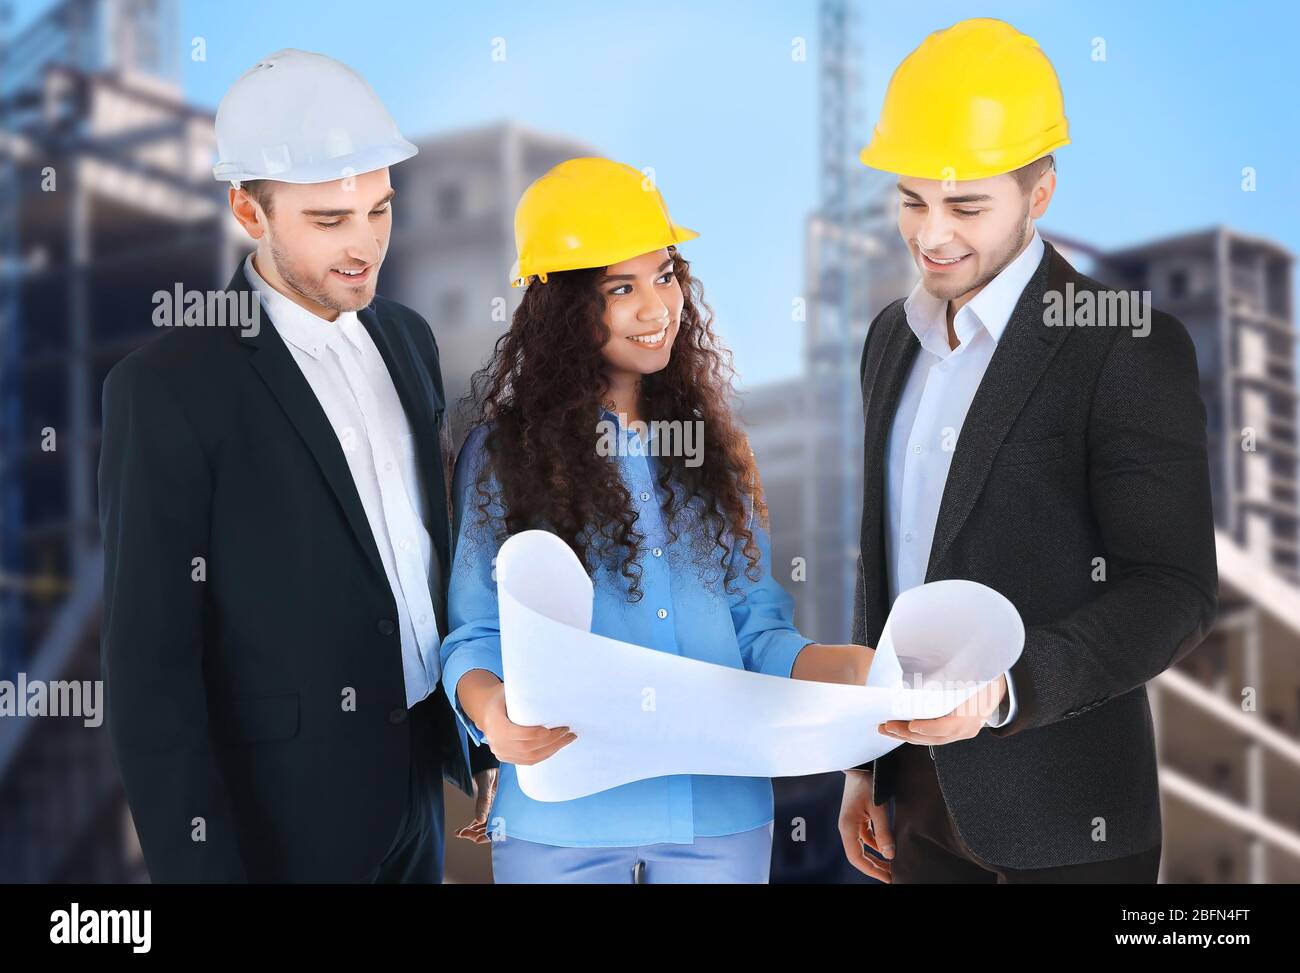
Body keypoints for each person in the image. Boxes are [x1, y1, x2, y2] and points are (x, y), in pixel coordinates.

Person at [98, 49, 496, 882]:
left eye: (380, 210)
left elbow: (420, 555)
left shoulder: (407, 339)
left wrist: (475, 732)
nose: (365, 245)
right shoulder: (169, 390)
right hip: (281, 818)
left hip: (422, 783)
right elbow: (149, 674)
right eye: (328, 219)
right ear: (249, 209)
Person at [839, 18, 1217, 883]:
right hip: (917, 809)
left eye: (967, 205)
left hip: (1067, 823)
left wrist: (1009, 690)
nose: (931, 234)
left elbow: (1174, 589)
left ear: (1039, 192)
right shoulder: (888, 341)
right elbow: (884, 563)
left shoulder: (1122, 343)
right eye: (911, 200)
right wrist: (862, 760)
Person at [440, 157, 877, 884]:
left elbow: (755, 633)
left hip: (720, 809)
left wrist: (848, 672)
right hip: (560, 813)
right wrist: (493, 715)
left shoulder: (716, 447)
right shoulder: (501, 453)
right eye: (621, 288)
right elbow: (475, 633)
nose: (657, 307)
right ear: (562, 308)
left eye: (665, 275)